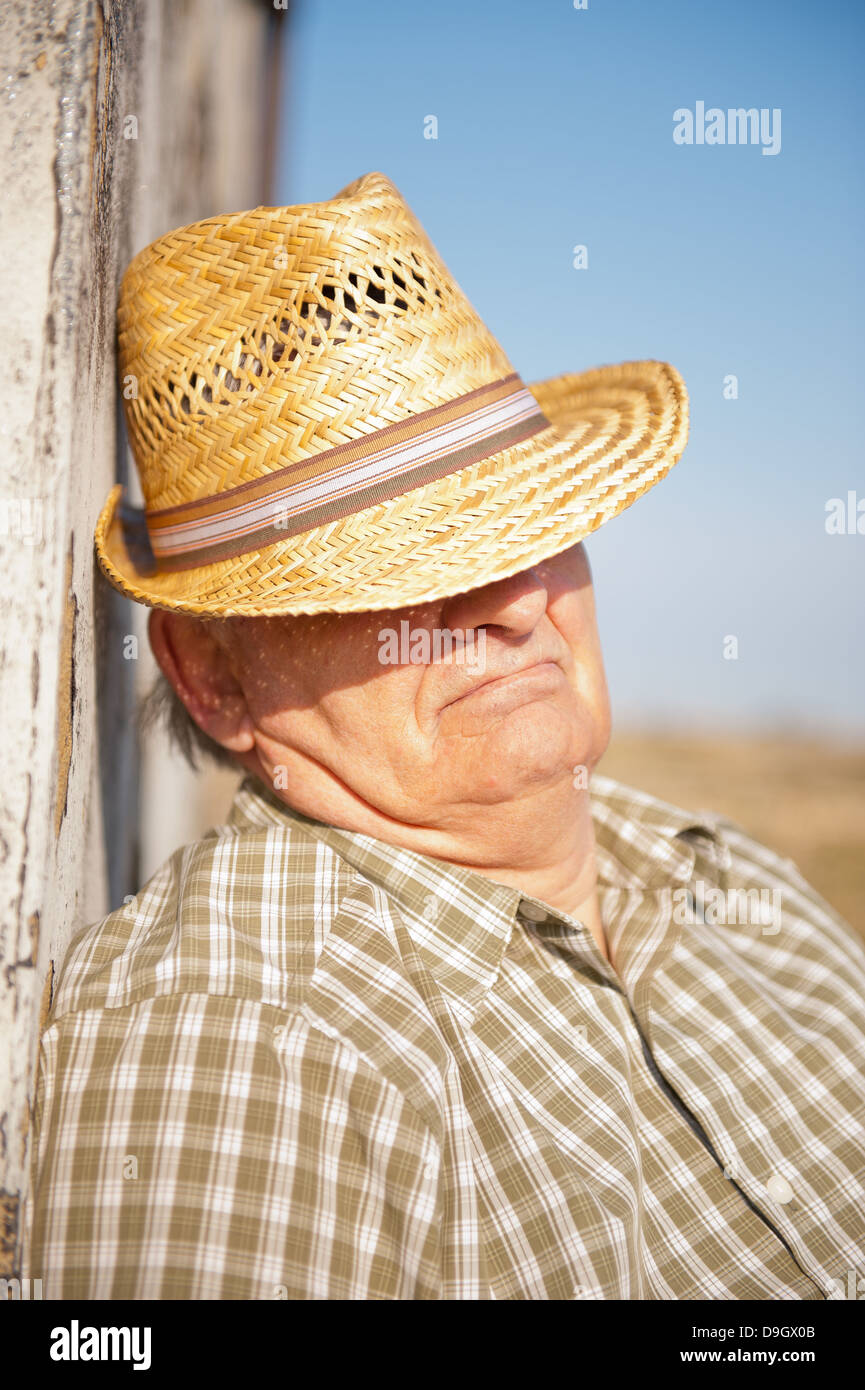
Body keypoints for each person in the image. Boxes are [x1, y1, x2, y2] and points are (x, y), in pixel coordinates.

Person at [24, 172, 865, 1300]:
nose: (513, 604)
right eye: (395, 571)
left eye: (530, 523)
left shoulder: (723, 871)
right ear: (212, 677)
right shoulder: (247, 1038)